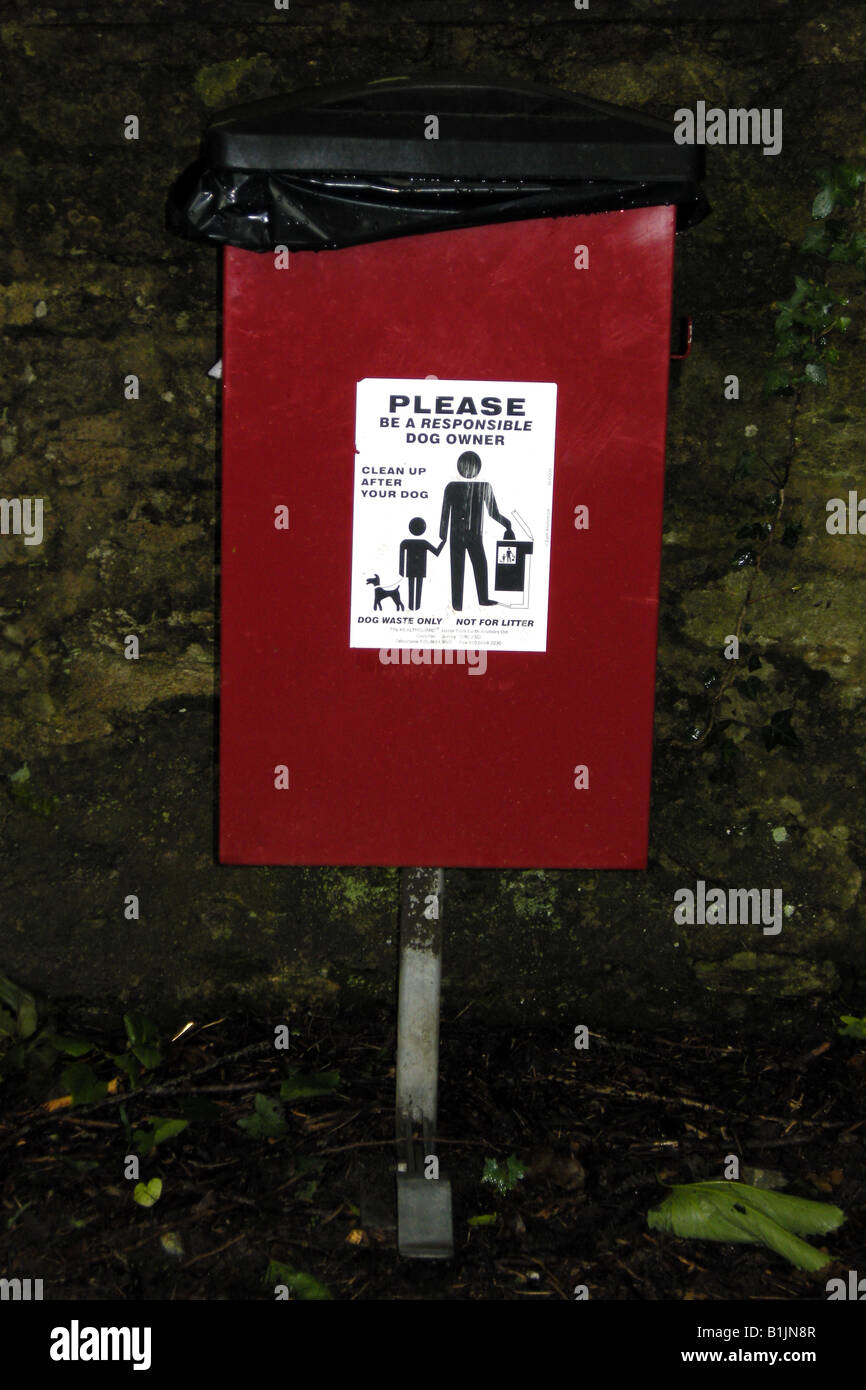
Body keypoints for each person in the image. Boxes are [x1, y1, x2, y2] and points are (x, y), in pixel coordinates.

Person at [439, 451, 513, 610]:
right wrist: (443, 535)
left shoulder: (481, 486)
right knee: (462, 567)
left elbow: (492, 512)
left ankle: (477, 600)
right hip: (462, 535)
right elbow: (445, 513)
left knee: (477, 565)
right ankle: (459, 604)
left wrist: (443, 536)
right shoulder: (456, 487)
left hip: (468, 536)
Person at [399, 517, 444, 610]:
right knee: (416, 588)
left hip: (413, 569)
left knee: (412, 588)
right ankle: (415, 607)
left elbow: (401, 556)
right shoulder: (422, 543)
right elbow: (437, 552)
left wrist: (401, 571)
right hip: (418, 569)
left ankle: (413, 607)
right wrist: (443, 542)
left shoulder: (406, 542)